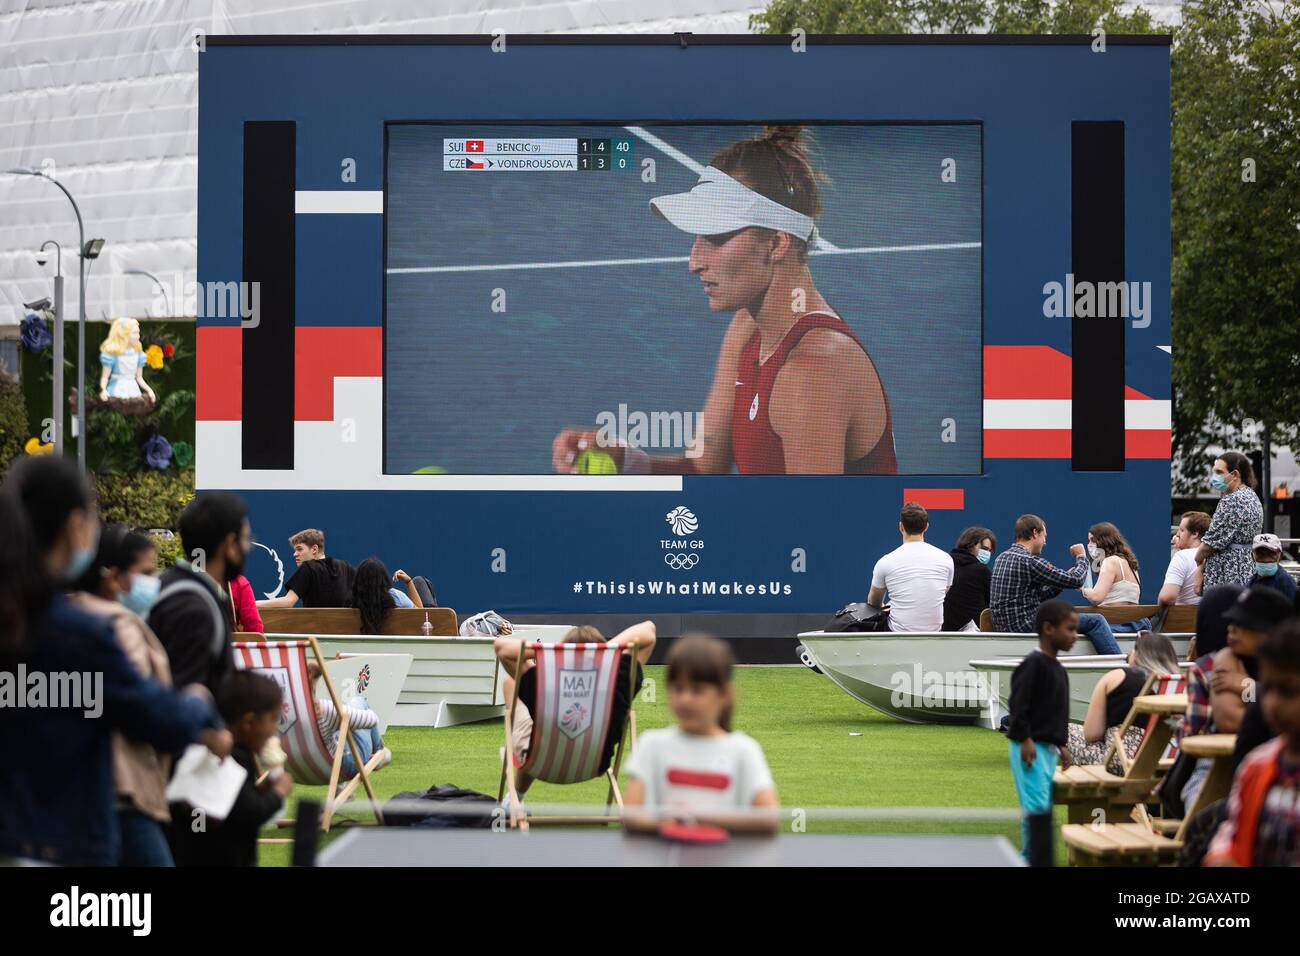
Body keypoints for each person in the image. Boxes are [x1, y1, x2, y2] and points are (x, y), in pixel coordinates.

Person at [552, 126, 896, 476]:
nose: (694, 261)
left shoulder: (812, 371)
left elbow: (810, 528)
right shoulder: (747, 330)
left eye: (716, 237)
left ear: (777, 244)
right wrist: (626, 464)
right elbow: (702, 470)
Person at [0, 456, 229, 866]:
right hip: (66, 845)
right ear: (74, 526)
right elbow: (158, 718)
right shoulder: (78, 635)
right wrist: (198, 704)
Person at [69, 525, 183, 866]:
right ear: (114, 576)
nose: (154, 583)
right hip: (123, 784)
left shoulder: (64, 617)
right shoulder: (120, 625)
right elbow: (138, 702)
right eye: (147, 573)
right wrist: (192, 712)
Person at [624, 635, 779, 833]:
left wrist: (698, 818)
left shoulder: (744, 751)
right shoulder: (651, 745)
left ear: (725, 695)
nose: (686, 699)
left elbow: (769, 819)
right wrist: (666, 823)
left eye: (698, 690)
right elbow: (630, 816)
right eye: (678, 688)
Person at [494, 622, 656, 802]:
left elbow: (502, 647)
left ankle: (516, 797)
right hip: (595, 764)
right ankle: (516, 795)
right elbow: (648, 630)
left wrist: (557, 652)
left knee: (511, 682)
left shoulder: (543, 684)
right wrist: (603, 650)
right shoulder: (619, 682)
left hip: (539, 763)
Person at [169, 671, 294, 867]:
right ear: (249, 723)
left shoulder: (220, 753)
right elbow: (250, 812)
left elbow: (230, 803)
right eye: (272, 719)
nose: (274, 729)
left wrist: (262, 789)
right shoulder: (230, 758)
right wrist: (279, 792)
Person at [1182, 587, 1291, 810]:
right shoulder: (1225, 659)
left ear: (1271, 632)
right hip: (1219, 769)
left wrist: (1246, 685)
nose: (1232, 629)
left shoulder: (1285, 665)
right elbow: (1230, 720)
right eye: (1231, 622)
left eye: (1244, 625)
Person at [1205, 618, 1300, 866]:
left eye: (1288, 691)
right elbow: (1233, 836)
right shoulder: (1256, 766)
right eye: (1267, 689)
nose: (1274, 704)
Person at [148, 493, 249, 695]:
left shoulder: (169, 585)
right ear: (230, 544)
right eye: (246, 539)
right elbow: (184, 701)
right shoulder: (193, 610)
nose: (247, 548)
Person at [1006, 600, 1077, 866]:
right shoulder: (1033, 665)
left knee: (1043, 806)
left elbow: (1054, 712)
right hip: (1030, 748)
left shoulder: (1057, 667)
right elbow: (1018, 706)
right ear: (1048, 629)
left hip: (1047, 748)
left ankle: (1032, 856)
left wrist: (1062, 744)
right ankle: (1030, 859)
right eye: (1069, 629)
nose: (1074, 636)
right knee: (1036, 809)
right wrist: (1025, 740)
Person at [989, 515, 1120, 652]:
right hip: (1027, 626)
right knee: (1096, 621)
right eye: (1044, 536)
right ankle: (1121, 666)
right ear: (1035, 533)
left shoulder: (1001, 558)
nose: (1045, 542)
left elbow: (1038, 597)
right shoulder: (1030, 561)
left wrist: (1063, 580)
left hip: (1006, 628)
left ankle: (1136, 627)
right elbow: (1076, 580)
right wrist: (1081, 557)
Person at [1066, 631, 1180, 771]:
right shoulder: (1175, 685)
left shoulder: (1116, 677)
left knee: (1063, 729)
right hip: (1161, 763)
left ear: (1137, 656)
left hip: (1119, 763)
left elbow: (1091, 734)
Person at [867, 502, 954, 632]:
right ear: (926, 527)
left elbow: (873, 602)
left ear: (901, 527)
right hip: (934, 633)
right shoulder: (946, 559)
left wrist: (891, 605)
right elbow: (941, 592)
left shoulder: (885, 562)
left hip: (896, 633)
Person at [305, 662, 391, 778]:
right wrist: (346, 714)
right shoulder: (323, 709)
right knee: (358, 701)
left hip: (304, 767)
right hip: (343, 764)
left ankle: (378, 753)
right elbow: (372, 719)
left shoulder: (281, 713)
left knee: (338, 725)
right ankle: (379, 753)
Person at [1197, 452, 1264, 591]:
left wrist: (1198, 561)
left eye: (1219, 472)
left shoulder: (1232, 500)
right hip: (1247, 570)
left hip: (1227, 574)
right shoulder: (1252, 496)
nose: (1215, 477)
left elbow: (1211, 542)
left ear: (1234, 475)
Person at [256, 528, 355, 609]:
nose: (295, 554)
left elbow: (288, 602)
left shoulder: (308, 567)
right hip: (346, 632)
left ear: (314, 549)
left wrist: (252, 604)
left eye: (299, 549)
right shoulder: (345, 567)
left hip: (315, 632)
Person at [1081, 522, 1150, 633]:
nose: (1089, 544)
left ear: (1104, 540)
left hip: (1116, 626)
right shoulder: (1130, 563)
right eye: (1088, 540)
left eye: (1093, 540)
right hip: (1137, 625)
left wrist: (1082, 588)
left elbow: (1096, 597)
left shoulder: (1110, 561)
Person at [942, 527, 996, 632]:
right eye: (984, 549)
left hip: (943, 632)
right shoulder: (982, 571)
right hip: (974, 638)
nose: (987, 554)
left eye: (989, 551)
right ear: (970, 545)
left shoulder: (946, 563)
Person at [97, 316, 156, 404]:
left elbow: (139, 377)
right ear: (124, 334)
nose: (138, 336)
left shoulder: (138, 354)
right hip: (116, 390)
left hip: (133, 390)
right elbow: (105, 377)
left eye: (138, 333)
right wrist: (103, 390)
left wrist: (149, 390)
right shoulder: (113, 354)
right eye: (135, 333)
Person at [1159, 511, 1210, 608]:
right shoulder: (1215, 556)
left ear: (1195, 533)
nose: (1177, 535)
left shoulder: (1181, 557)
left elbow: (1166, 597)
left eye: (1182, 530)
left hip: (1183, 620)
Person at [350, 557, 412, 635]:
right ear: (384, 578)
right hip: (394, 645)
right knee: (420, 581)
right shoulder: (396, 597)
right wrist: (409, 582)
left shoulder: (353, 601)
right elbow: (421, 614)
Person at [1248, 533, 1296, 603]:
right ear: (1252, 556)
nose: (1266, 559)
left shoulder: (1285, 582)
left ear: (1280, 556)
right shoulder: (1253, 580)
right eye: (1261, 554)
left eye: (1271, 553)